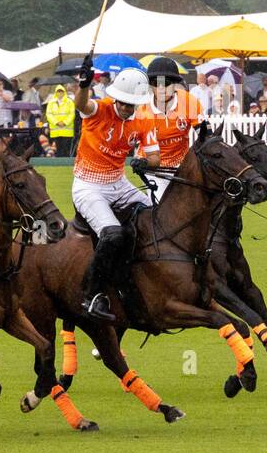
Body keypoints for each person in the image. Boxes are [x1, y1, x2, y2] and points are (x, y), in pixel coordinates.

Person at [71, 62, 159, 321]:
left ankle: (131, 277)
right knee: (112, 234)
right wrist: (84, 85)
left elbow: (154, 157)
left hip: (118, 184)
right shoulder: (100, 109)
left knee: (154, 218)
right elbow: (81, 104)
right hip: (89, 186)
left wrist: (144, 161)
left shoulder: (143, 119)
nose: (124, 108)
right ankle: (92, 295)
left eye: (130, 105)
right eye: (121, 102)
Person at [134, 56, 202, 201]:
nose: (160, 88)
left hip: (182, 164)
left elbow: (204, 135)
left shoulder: (189, 102)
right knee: (162, 207)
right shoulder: (142, 111)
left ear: (175, 84)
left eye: (166, 83)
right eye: (155, 83)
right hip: (152, 166)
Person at [44, 83, 76, 157]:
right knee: (57, 149)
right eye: (58, 91)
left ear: (64, 92)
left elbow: (72, 114)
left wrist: (64, 122)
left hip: (67, 131)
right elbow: (49, 114)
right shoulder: (51, 103)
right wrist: (56, 122)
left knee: (66, 150)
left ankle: (66, 164)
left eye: (61, 91)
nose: (60, 93)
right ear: (56, 92)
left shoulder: (70, 102)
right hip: (56, 131)